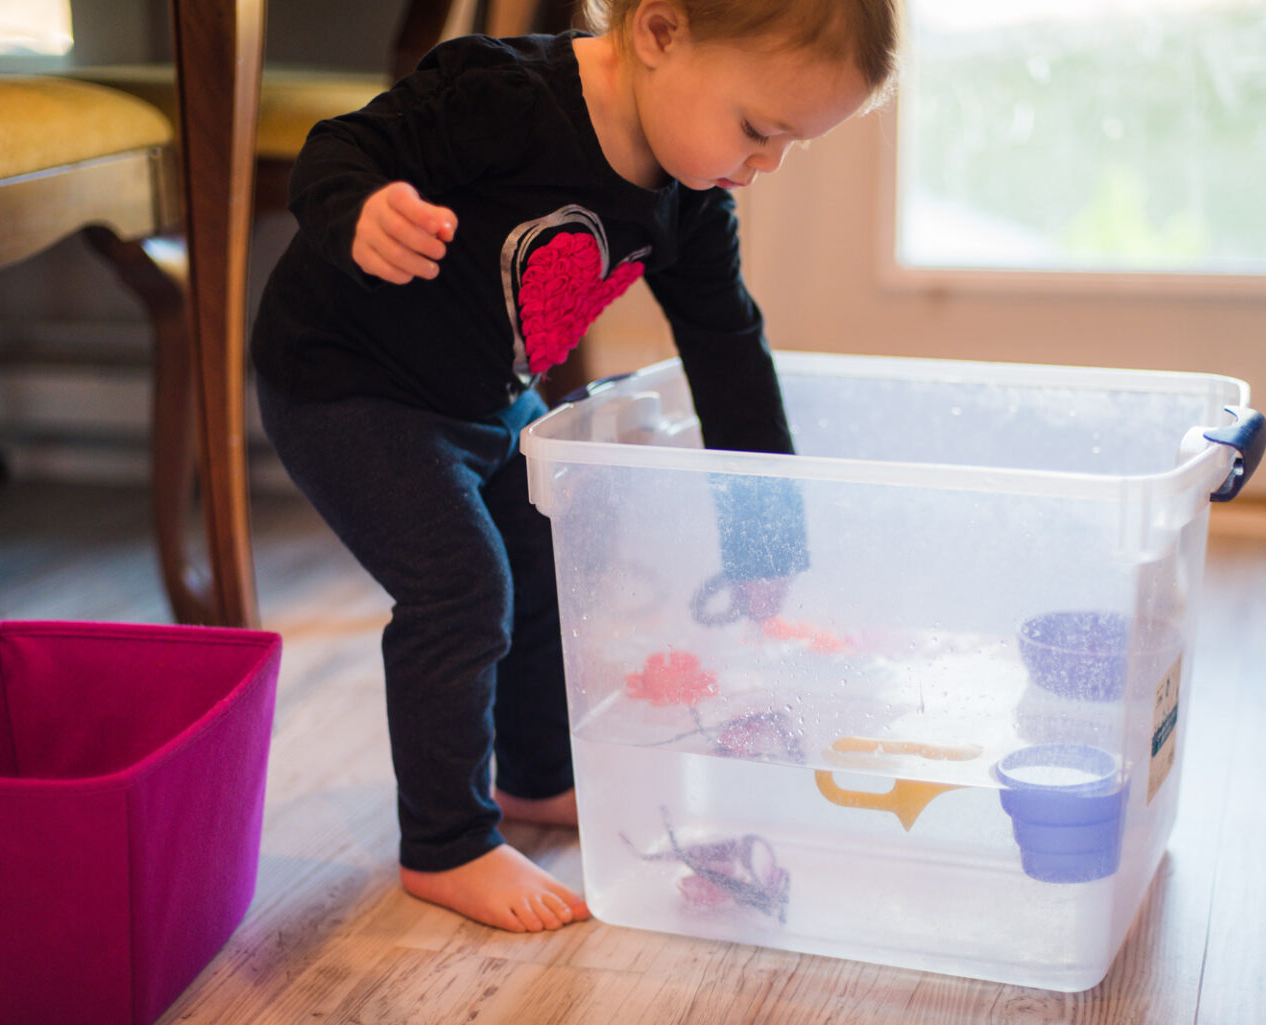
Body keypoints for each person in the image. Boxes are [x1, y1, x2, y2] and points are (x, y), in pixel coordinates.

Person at [250, 0, 899, 934]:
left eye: (792, 144)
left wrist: (764, 535)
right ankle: (446, 843)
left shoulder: (691, 198)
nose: (765, 166)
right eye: (759, 129)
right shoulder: (501, 96)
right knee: (461, 585)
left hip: (477, 395)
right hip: (345, 381)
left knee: (547, 551)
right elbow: (338, 145)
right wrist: (359, 209)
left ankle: (538, 774)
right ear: (660, 33)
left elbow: (728, 350)